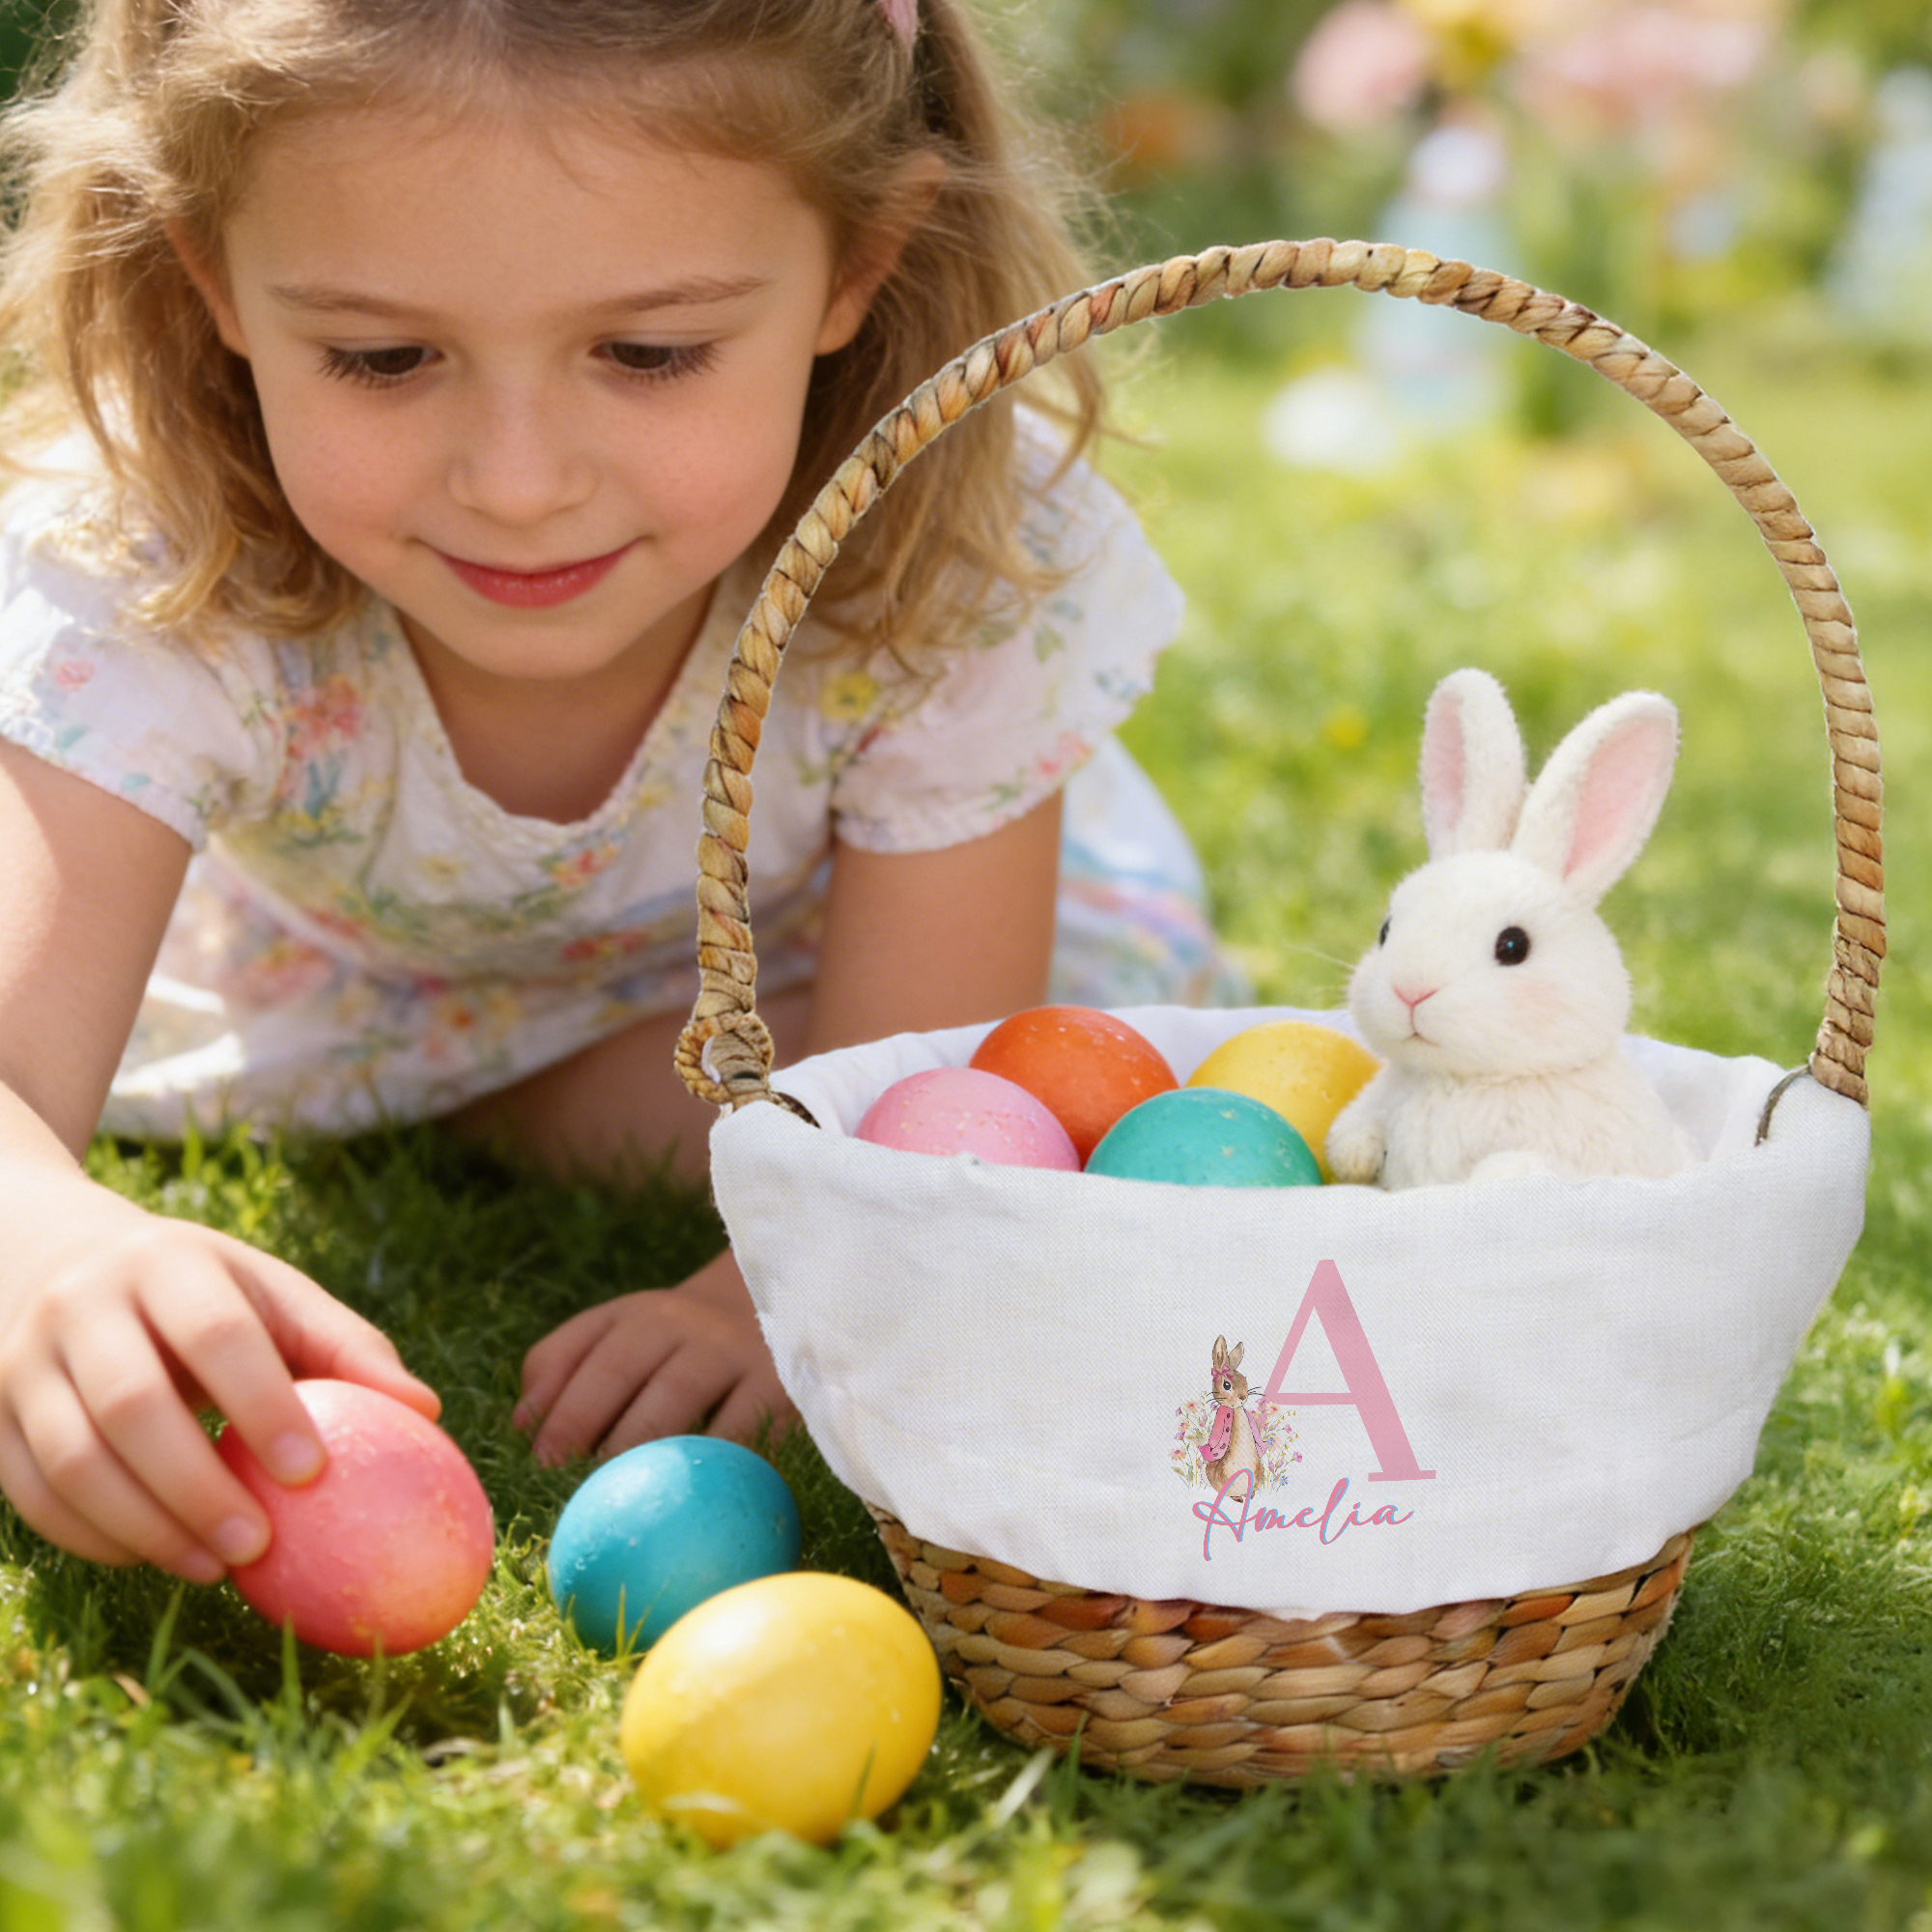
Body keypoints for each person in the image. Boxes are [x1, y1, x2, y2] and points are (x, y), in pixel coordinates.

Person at [0, 0, 1238, 1589]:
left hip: (800, 977)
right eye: (382, 357)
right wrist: (44, 1247)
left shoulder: (947, 568)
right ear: (211, 276)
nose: (518, 482)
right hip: (349, 973)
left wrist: (770, 1293)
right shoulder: (166, 568)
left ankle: (494, 1085)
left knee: (1058, 1114)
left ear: (858, 262)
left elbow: (920, 1125)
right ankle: (475, 1068)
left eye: (649, 353)